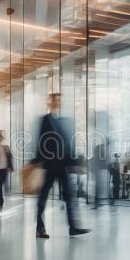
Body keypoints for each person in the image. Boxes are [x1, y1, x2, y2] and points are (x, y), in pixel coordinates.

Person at [34, 93, 91, 239]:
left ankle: (73, 227)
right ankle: (40, 228)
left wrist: (75, 162)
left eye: (59, 100)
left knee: (69, 196)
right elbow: (42, 142)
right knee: (43, 197)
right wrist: (38, 163)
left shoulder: (59, 121)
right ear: (50, 102)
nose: (57, 102)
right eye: (55, 100)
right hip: (50, 166)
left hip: (61, 166)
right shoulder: (46, 120)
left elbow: (65, 145)